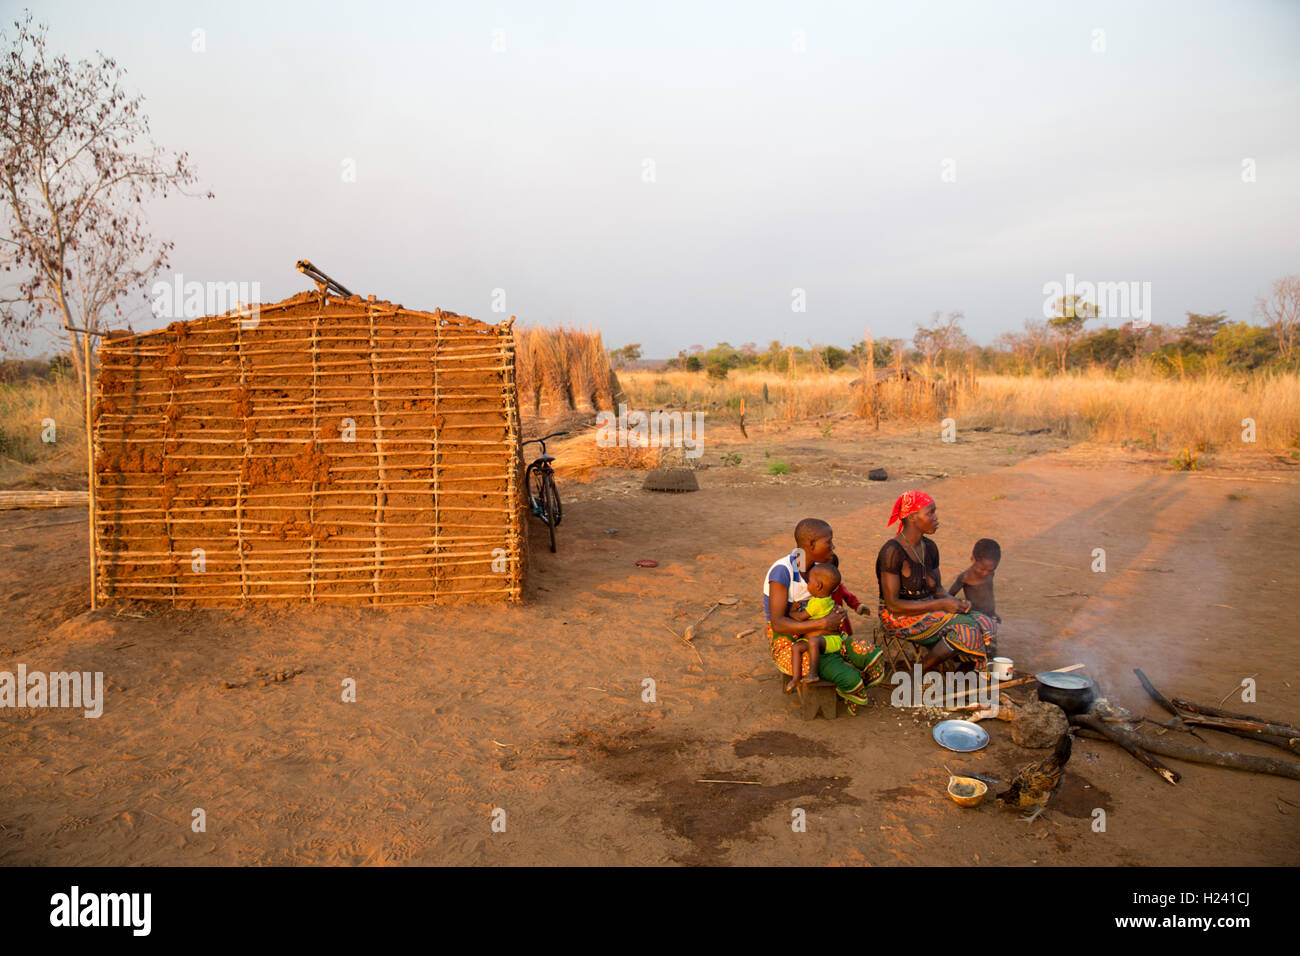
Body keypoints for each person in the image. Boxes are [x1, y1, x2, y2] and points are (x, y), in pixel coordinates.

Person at [764, 518, 885, 707]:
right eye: (828, 542)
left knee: (866, 652)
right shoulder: (782, 572)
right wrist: (822, 623)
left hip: (822, 635)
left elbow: (827, 601)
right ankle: (847, 681)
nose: (833, 546)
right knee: (826, 663)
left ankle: (850, 676)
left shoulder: (818, 570)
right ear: (811, 544)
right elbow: (778, 623)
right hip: (789, 639)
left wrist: (835, 614)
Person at [875, 491, 998, 671]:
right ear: (911, 517)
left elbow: (938, 589)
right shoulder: (892, 551)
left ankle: (963, 671)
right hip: (898, 616)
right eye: (930, 513)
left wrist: (955, 602)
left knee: (988, 624)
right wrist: (942, 604)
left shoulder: (930, 547)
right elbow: (893, 605)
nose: (935, 518)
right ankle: (919, 672)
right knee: (965, 629)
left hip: (928, 608)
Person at [785, 563, 846, 692]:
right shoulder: (823, 599)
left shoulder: (818, 603)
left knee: (813, 641)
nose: (807, 585)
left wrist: (790, 612)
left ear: (818, 586)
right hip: (820, 639)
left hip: (830, 641)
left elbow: (801, 617)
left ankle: (813, 673)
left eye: (809, 581)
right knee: (797, 647)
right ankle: (796, 679)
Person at [947, 538, 1002, 623]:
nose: (986, 573)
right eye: (982, 569)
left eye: (991, 570)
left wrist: (993, 612)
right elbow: (949, 596)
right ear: (973, 559)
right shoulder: (965, 577)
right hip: (973, 617)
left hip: (989, 616)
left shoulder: (990, 573)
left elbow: (989, 594)